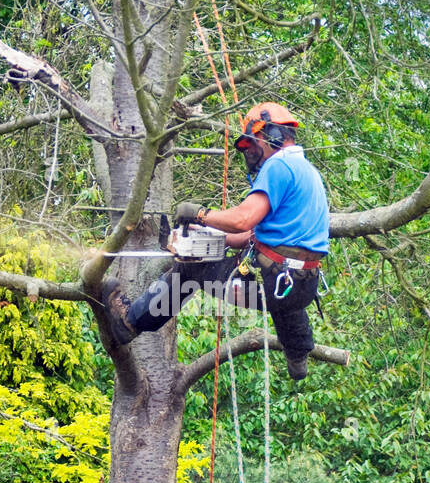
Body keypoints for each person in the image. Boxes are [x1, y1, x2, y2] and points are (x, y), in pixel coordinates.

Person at [99, 102, 330, 379]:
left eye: (251, 144)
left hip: (279, 281)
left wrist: (200, 214)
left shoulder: (278, 166)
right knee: (282, 299)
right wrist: (205, 236)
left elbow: (244, 219)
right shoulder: (307, 171)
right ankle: (298, 355)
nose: (249, 152)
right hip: (300, 285)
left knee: (193, 271)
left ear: (271, 136)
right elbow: (249, 235)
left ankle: (130, 322)